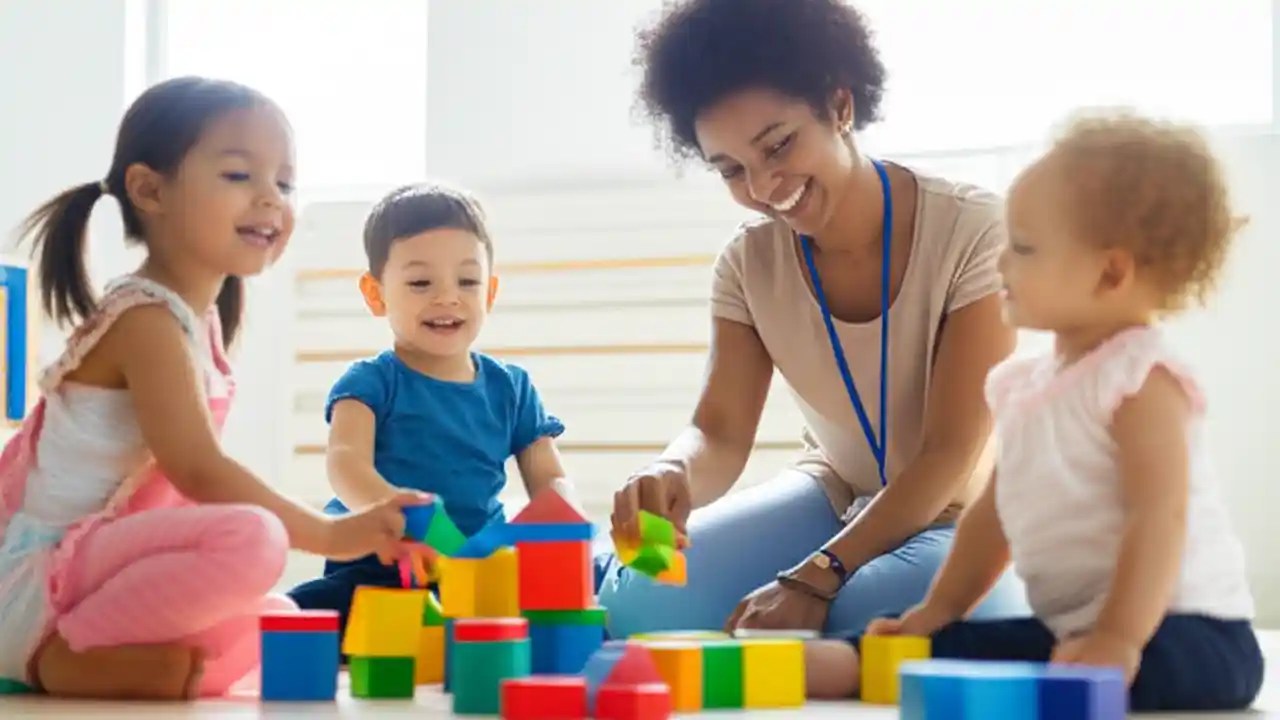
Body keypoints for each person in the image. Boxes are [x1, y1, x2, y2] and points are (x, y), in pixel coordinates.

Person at [803, 111, 1263, 712]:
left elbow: (1160, 516)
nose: (1001, 263)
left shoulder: (1140, 378)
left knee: (1107, 667)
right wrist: (938, 611)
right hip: (1072, 633)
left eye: (1022, 247)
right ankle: (853, 661)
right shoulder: (1023, 388)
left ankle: (1075, 670)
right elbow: (991, 518)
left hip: (1189, 633)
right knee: (965, 647)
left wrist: (1119, 637)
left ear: (1111, 272)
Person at [598, 0, 1029, 637]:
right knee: (638, 596)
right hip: (833, 493)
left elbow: (946, 456)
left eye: (778, 145)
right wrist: (670, 471)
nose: (763, 187)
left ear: (840, 106)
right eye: (731, 170)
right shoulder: (747, 264)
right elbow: (718, 433)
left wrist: (819, 572)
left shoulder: (976, 231)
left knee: (869, 611)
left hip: (961, 511)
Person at [0, 77, 420, 701]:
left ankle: (132, 667)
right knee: (256, 540)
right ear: (150, 190)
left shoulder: (196, 325)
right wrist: (332, 535)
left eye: (284, 183)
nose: (270, 199)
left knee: (276, 618)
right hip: (42, 578)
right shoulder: (145, 320)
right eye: (238, 175)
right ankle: (56, 658)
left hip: (99, 567)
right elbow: (198, 470)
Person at [287, 183, 572, 640]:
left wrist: (561, 527)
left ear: (490, 292)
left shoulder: (511, 387)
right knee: (316, 611)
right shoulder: (371, 382)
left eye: (468, 281)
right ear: (376, 294)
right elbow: (345, 465)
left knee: (559, 613)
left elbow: (549, 478)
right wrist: (397, 519)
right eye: (421, 283)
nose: (447, 297)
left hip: (476, 568)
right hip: (384, 563)